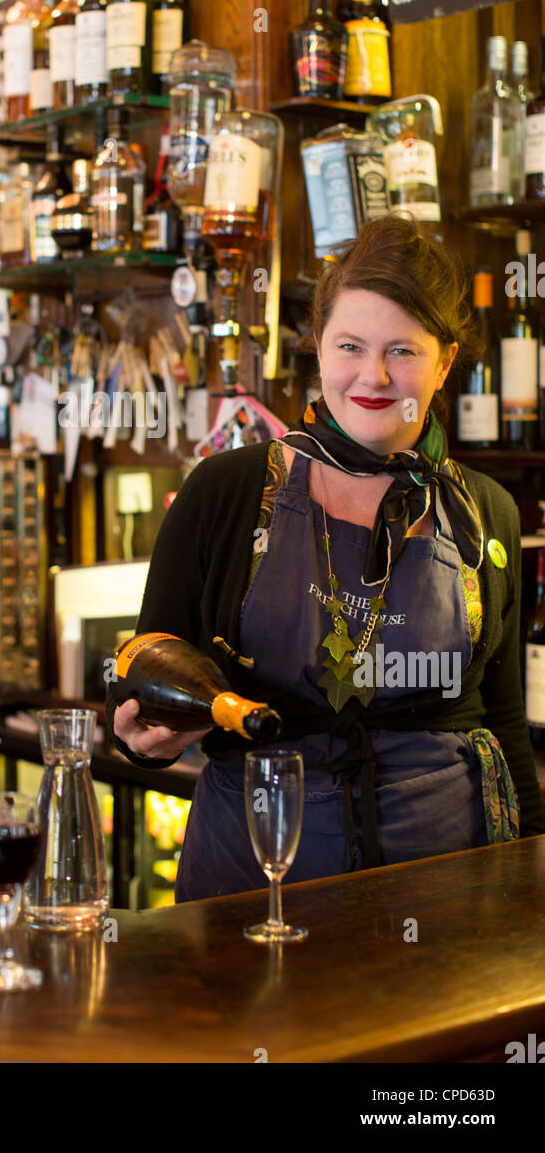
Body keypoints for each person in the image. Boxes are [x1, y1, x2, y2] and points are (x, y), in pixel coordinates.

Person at [109, 217, 545, 902]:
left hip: (447, 887)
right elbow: (148, 674)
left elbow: (503, 721)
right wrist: (144, 736)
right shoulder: (224, 492)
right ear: (318, 348)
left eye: (402, 350)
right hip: (255, 881)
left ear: (446, 362)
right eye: (350, 346)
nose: (373, 376)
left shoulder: (487, 512)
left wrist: (529, 893)